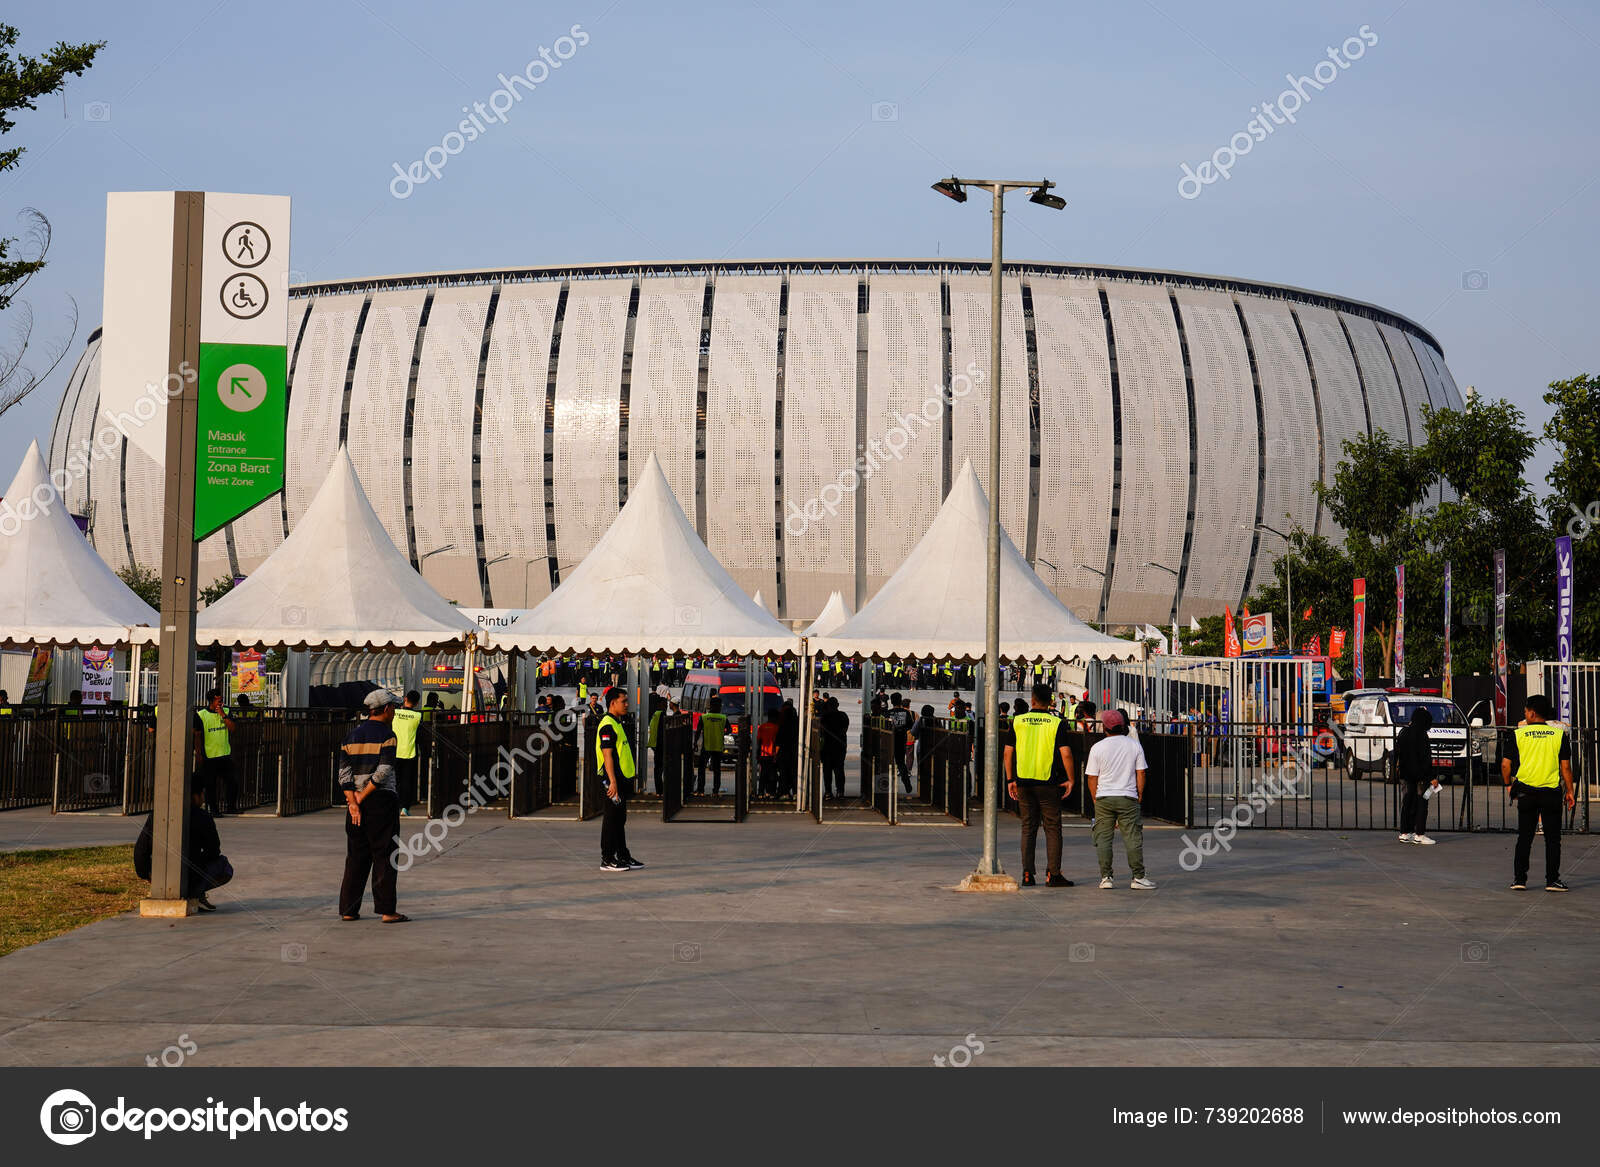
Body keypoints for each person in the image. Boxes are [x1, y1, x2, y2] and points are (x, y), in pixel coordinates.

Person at [338, 689, 409, 923]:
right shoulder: (388, 736)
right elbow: (383, 771)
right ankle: (387, 910)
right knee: (384, 855)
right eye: (394, 708)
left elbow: (344, 775)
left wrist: (353, 801)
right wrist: (361, 797)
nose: (395, 712)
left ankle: (349, 910)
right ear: (387, 709)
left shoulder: (351, 736)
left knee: (356, 856)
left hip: (355, 807)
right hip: (381, 802)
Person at [1003, 683, 1077, 888]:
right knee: (1052, 828)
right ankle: (1053, 874)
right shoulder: (1056, 722)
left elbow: (1008, 752)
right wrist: (1071, 779)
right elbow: (1066, 753)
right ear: (1051, 701)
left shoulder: (1018, 721)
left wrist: (1010, 779)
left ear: (1032, 700)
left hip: (1023, 782)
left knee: (1028, 827)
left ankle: (1027, 874)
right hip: (1048, 782)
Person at [1502, 694, 1576, 892]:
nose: (1524, 714)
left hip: (1526, 792)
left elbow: (1505, 765)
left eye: (1525, 711)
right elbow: (1566, 768)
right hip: (1551, 793)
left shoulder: (1518, 735)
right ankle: (1552, 880)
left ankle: (1519, 879)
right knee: (1552, 839)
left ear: (1532, 713)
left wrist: (1509, 785)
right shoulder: (1559, 736)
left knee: (1524, 837)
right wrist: (1570, 791)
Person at [133, 783, 232, 911]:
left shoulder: (157, 815)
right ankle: (196, 893)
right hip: (191, 876)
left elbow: (140, 850)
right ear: (195, 796)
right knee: (224, 865)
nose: (203, 798)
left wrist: (146, 874)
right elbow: (214, 851)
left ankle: (192, 890)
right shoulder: (203, 816)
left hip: (161, 876)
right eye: (202, 794)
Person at [1086, 709, 1156, 889]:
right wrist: (1139, 794)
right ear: (1123, 726)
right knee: (1132, 837)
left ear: (1105, 727)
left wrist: (1095, 798)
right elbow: (1140, 773)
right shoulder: (1134, 746)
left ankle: (1106, 877)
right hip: (1127, 796)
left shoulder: (1097, 747)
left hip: (1104, 797)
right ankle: (1138, 877)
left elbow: (1092, 777)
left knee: (1103, 838)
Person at [597, 686, 643, 871]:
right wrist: (613, 782)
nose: (626, 704)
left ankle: (623, 855)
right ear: (612, 703)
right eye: (623, 701)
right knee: (611, 819)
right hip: (611, 781)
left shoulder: (617, 723)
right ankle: (607, 858)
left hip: (620, 779)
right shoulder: (607, 724)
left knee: (619, 819)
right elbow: (607, 755)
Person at [1395, 706, 1441, 844]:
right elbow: (1425, 759)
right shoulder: (1422, 735)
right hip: (1422, 777)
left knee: (1407, 803)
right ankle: (1419, 834)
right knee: (1422, 803)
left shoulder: (1403, 732)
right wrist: (1432, 777)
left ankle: (1405, 832)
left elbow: (1398, 754)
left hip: (1406, 775)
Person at [192, 688, 236, 816]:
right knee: (210, 785)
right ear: (212, 701)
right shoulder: (201, 715)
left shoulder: (226, 711)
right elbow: (197, 736)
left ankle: (231, 806)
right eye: (219, 700)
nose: (221, 702)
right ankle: (214, 810)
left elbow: (233, 729)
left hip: (224, 753)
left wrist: (223, 715)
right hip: (209, 756)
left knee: (232, 782)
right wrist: (199, 754)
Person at [392, 690, 423, 816]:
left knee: (393, 781)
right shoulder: (417, 716)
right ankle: (405, 808)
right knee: (407, 782)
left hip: (394, 752)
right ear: (416, 703)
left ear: (405, 699)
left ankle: (392, 806)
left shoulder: (395, 713)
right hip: (410, 753)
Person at [697, 696, 729, 796]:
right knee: (717, 770)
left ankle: (700, 790)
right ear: (719, 706)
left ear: (710, 706)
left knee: (702, 769)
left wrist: (695, 743)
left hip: (706, 746)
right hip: (718, 747)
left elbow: (698, 731)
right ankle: (715, 791)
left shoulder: (704, 717)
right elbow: (730, 730)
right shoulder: (723, 718)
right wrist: (721, 732)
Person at [821, 696, 849, 800]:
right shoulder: (843, 716)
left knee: (827, 770)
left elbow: (821, 731)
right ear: (837, 705)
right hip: (840, 747)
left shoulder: (824, 717)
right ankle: (840, 792)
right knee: (839, 770)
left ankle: (828, 792)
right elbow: (845, 730)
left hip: (827, 747)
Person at [888, 693, 914, 794]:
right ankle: (907, 783)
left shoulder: (887, 713)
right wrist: (901, 729)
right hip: (901, 740)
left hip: (888, 740)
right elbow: (910, 725)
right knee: (901, 763)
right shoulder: (906, 713)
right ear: (900, 701)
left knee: (886, 764)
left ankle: (885, 786)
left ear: (891, 701)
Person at [756, 708, 781, 798]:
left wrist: (757, 754)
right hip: (772, 755)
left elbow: (759, 741)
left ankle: (761, 792)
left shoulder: (762, 727)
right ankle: (771, 792)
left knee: (763, 774)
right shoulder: (777, 728)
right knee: (772, 775)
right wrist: (776, 756)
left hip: (763, 755)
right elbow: (778, 743)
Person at [778, 698, 799, 797]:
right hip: (795, 752)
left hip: (784, 752)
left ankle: (785, 792)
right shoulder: (797, 725)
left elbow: (778, 741)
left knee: (784, 773)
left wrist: (775, 755)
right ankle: (795, 792)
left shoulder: (781, 726)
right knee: (794, 773)